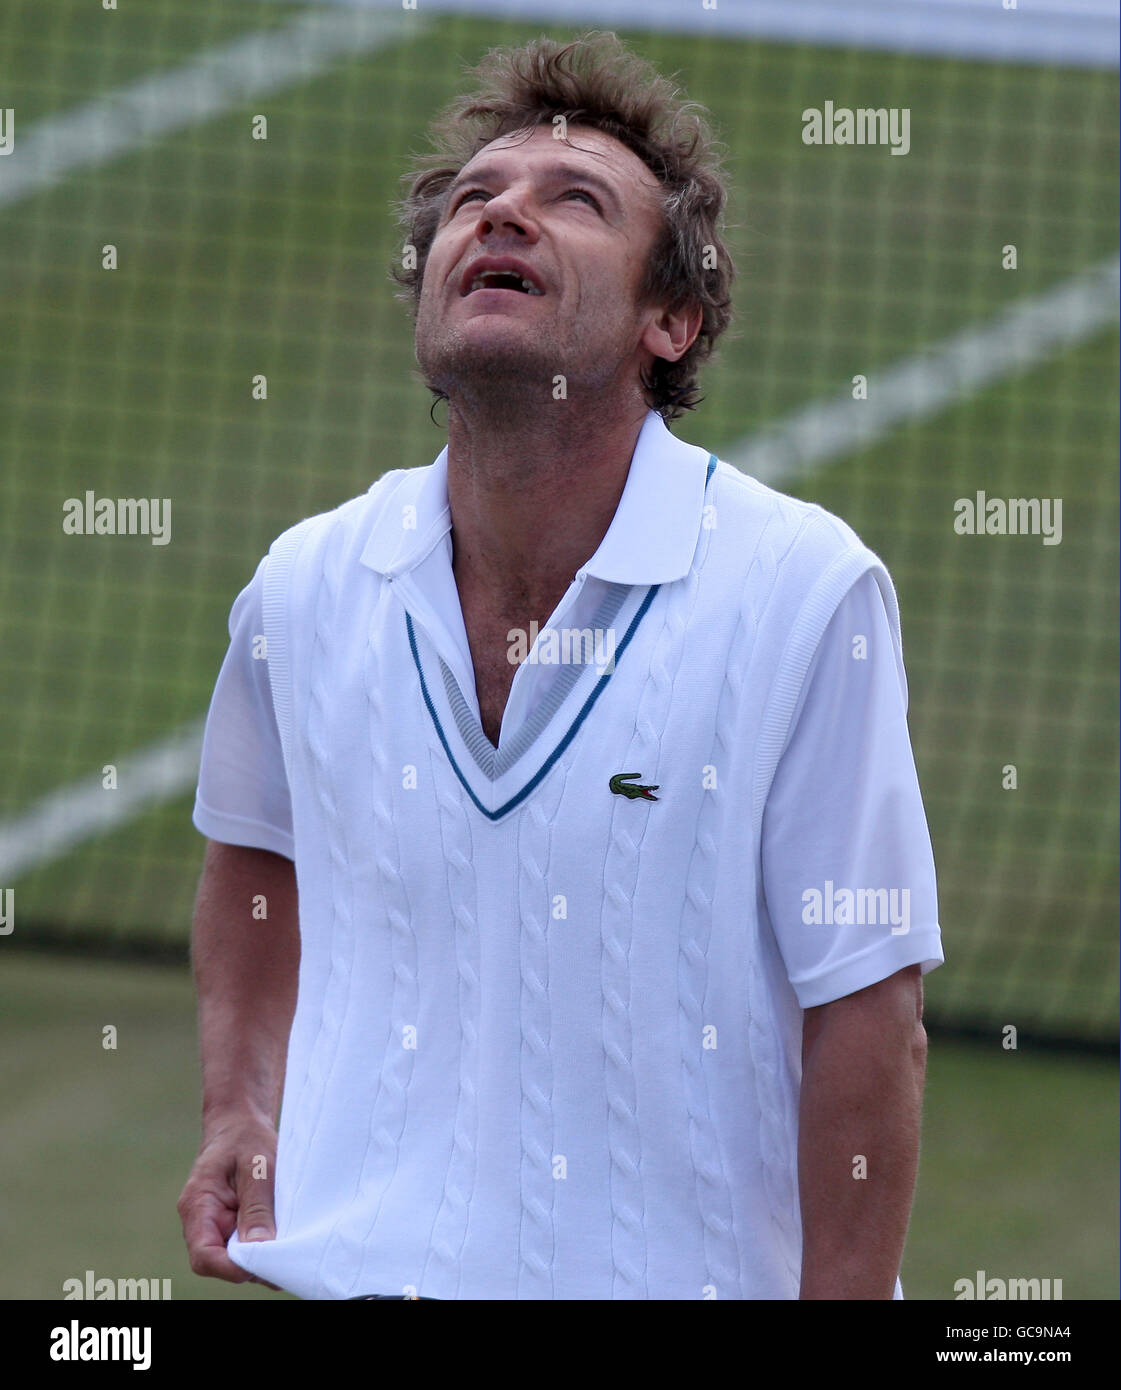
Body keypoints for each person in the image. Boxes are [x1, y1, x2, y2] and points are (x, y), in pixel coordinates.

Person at [178, 30, 943, 1301]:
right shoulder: (304, 587)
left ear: (671, 319)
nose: (503, 216)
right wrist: (237, 1104)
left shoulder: (802, 596)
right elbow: (255, 856)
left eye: (571, 201)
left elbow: (869, 1015)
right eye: (473, 200)